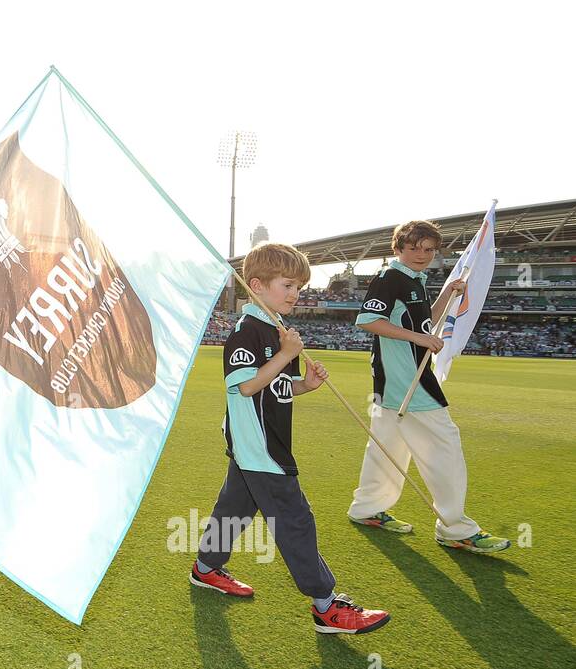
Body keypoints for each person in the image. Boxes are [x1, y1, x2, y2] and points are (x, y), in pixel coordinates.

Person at [189, 242, 391, 635]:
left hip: (258, 444)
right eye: (287, 285)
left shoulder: (278, 331)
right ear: (257, 285)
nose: (295, 294)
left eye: (299, 286)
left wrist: (303, 384)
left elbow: (274, 387)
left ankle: (206, 567)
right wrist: (285, 355)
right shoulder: (248, 331)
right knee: (296, 520)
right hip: (262, 447)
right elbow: (246, 386)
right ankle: (327, 607)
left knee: (234, 509)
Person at [346, 220, 510, 553]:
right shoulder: (390, 278)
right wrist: (417, 337)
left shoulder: (415, 280)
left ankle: (366, 508)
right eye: (414, 247)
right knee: (444, 445)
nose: (422, 254)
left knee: (387, 446)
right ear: (398, 247)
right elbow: (367, 320)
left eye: (429, 249)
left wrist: (447, 295)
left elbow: (426, 325)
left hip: (393, 380)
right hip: (407, 380)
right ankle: (456, 528)